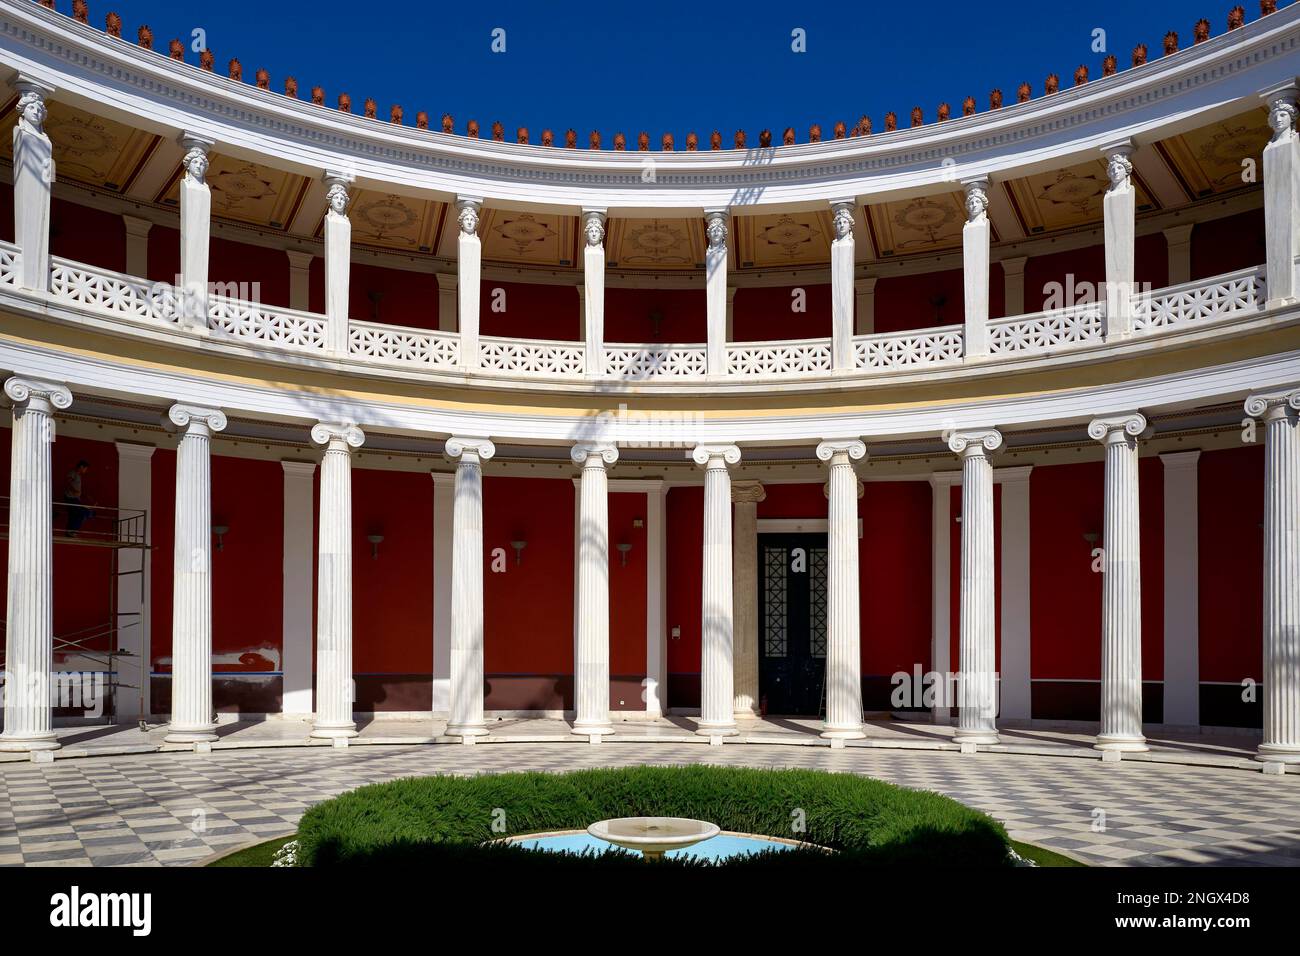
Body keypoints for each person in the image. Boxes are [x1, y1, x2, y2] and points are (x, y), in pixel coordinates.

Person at [63, 460, 91, 535]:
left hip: (75, 499)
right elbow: (67, 483)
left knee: (73, 515)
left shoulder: (78, 476)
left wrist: (84, 495)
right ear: (81, 467)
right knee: (82, 513)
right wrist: (74, 491)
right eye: (85, 468)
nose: (86, 470)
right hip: (71, 498)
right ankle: (73, 531)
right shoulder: (73, 473)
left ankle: (70, 532)